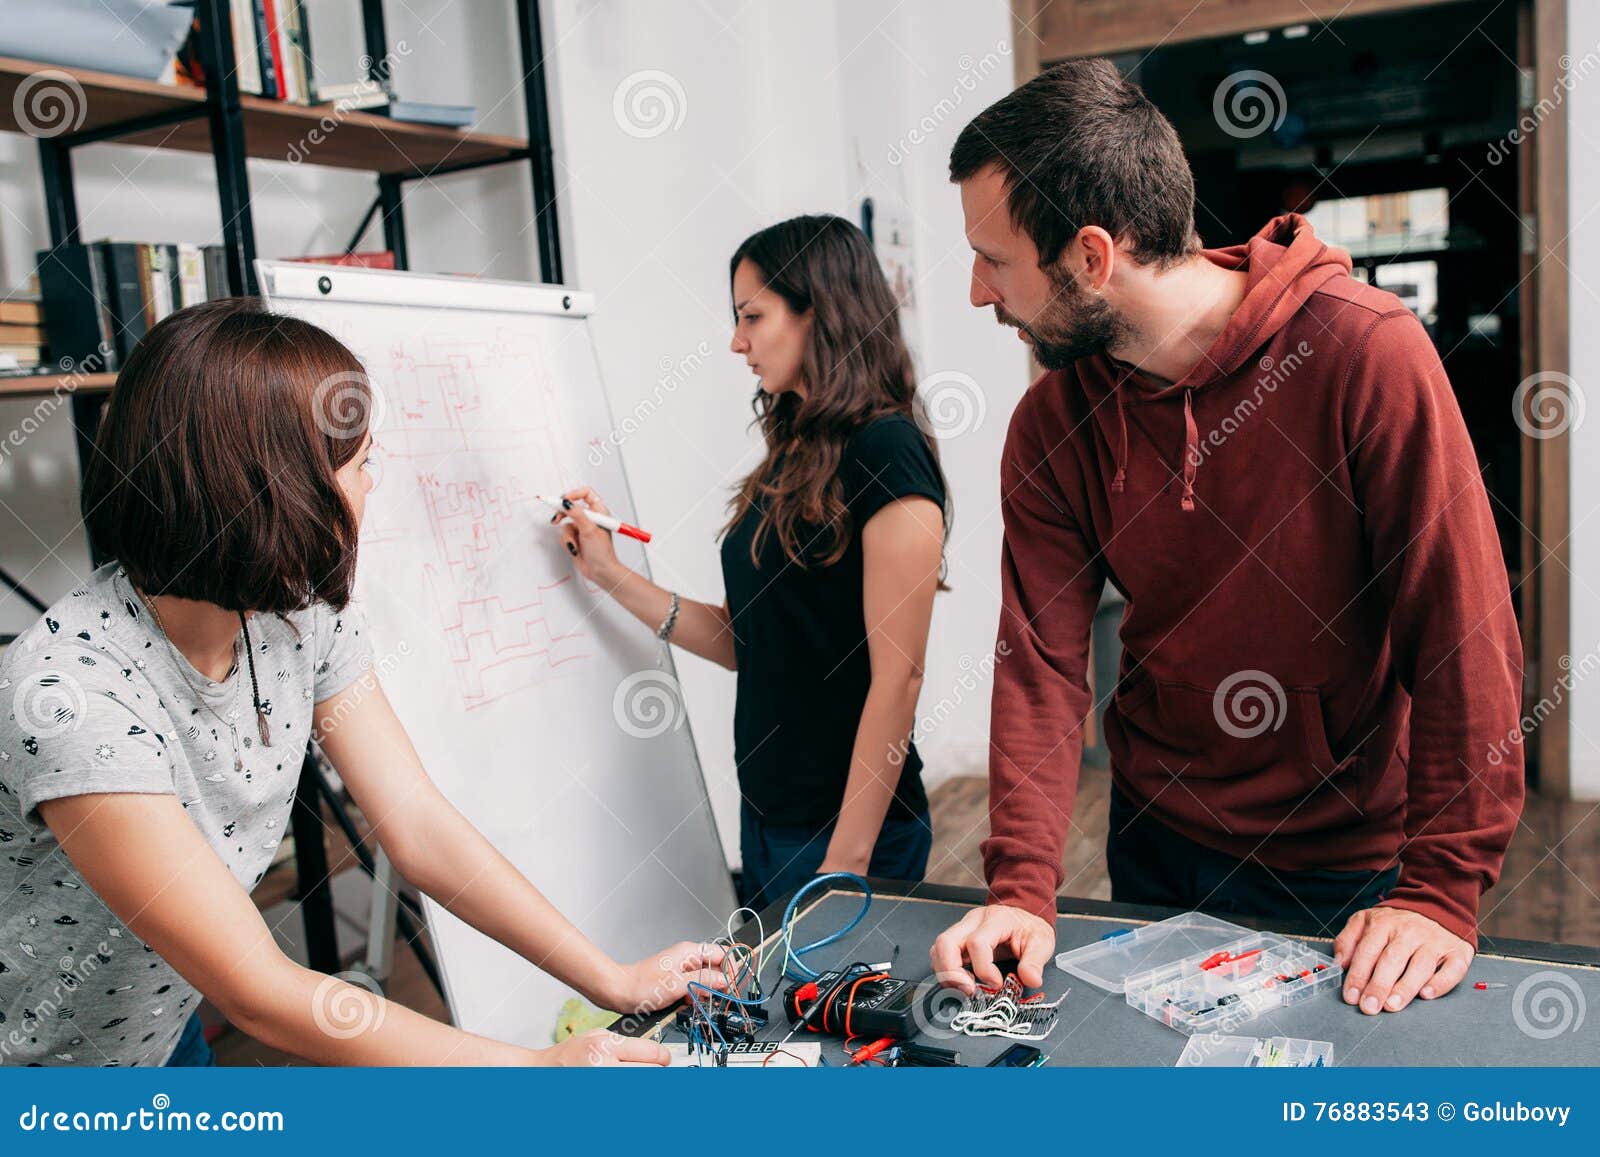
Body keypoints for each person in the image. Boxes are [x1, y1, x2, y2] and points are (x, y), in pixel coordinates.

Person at [929, 60, 1523, 1017]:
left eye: (992, 259)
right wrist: (1021, 888)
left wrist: (1441, 891)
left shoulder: (1363, 352)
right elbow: (1041, 662)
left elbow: (1463, 628)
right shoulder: (1052, 426)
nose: (975, 290)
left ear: (1089, 257)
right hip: (1159, 841)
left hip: (1347, 863)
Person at [0, 297, 723, 1067]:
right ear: (274, 485)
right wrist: (532, 1069)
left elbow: (419, 828)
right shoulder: (75, 697)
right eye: (360, 461)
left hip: (164, 1020)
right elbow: (258, 991)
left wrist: (613, 979)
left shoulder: (298, 615)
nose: (373, 484)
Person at [552, 215, 948, 910]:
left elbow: (901, 678)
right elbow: (749, 642)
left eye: (753, 316)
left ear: (819, 313)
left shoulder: (887, 451)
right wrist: (610, 574)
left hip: (848, 837)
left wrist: (844, 863)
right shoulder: (797, 449)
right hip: (771, 820)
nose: (738, 341)